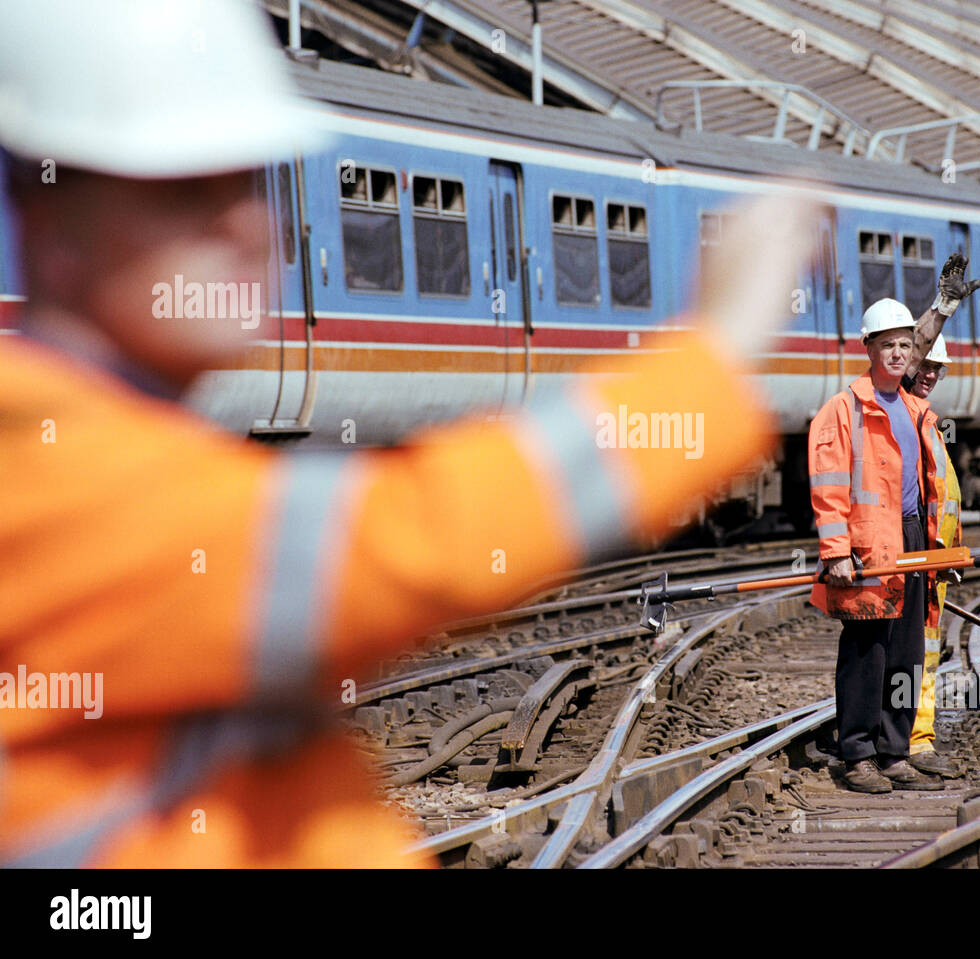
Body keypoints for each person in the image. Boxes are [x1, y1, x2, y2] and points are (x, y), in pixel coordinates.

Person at [0, 0, 824, 867]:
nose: (248, 224)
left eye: (251, 182)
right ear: (47, 221)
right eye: (182, 190)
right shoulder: (45, 467)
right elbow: (416, 539)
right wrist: (715, 352)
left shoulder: (135, 454)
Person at [807, 298, 946, 793]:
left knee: (907, 653)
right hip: (867, 545)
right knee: (868, 652)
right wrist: (835, 552)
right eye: (887, 345)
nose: (896, 353)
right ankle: (858, 754)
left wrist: (939, 550)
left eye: (905, 346)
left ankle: (894, 752)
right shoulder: (843, 410)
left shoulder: (915, 410)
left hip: (911, 540)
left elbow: (933, 487)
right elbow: (828, 487)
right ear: (868, 348)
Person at [902, 335, 963, 779]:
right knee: (906, 651)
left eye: (937, 370)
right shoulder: (901, 415)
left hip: (934, 562)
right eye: (925, 365)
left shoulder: (927, 420)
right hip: (911, 556)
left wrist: (950, 553)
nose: (930, 375)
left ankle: (919, 739)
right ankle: (904, 740)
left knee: (927, 650)